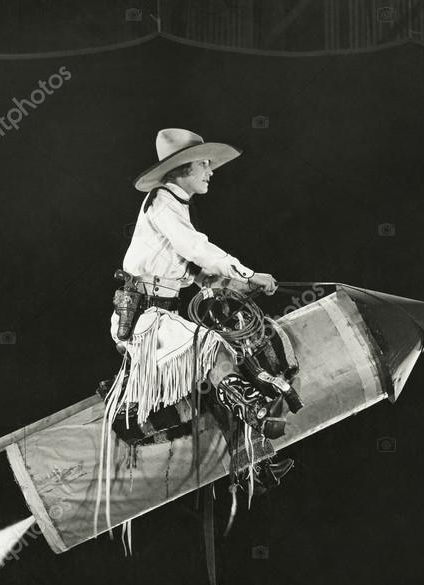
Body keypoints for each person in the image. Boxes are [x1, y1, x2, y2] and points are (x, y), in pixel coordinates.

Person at [106, 128, 293, 492]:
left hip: (160, 315)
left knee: (225, 364)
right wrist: (247, 273)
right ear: (182, 169)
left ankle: (250, 459)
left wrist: (222, 283)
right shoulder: (162, 204)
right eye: (204, 164)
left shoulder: (173, 206)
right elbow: (194, 248)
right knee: (214, 348)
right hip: (146, 321)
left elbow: (184, 265)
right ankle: (253, 411)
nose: (211, 170)